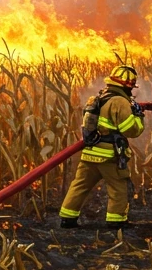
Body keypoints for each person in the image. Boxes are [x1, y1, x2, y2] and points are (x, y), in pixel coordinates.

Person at [59, 63, 146, 229]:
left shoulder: (98, 98)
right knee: (118, 188)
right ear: (127, 86)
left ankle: (67, 218)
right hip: (109, 156)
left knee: (80, 185)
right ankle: (116, 221)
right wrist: (138, 115)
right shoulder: (120, 101)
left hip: (90, 153)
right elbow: (131, 130)